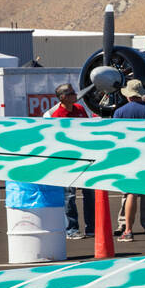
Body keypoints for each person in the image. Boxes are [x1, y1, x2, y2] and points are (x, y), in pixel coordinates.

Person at [111, 79, 145, 239]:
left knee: (128, 193)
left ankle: (123, 225)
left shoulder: (120, 112)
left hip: (127, 157)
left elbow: (115, 137)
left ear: (129, 95)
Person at [49, 83, 95, 239]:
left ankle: (91, 227)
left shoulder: (80, 110)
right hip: (68, 161)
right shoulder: (56, 115)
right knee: (69, 197)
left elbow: (88, 131)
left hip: (85, 159)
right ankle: (71, 229)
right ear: (63, 97)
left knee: (90, 194)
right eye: (72, 93)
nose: (76, 95)